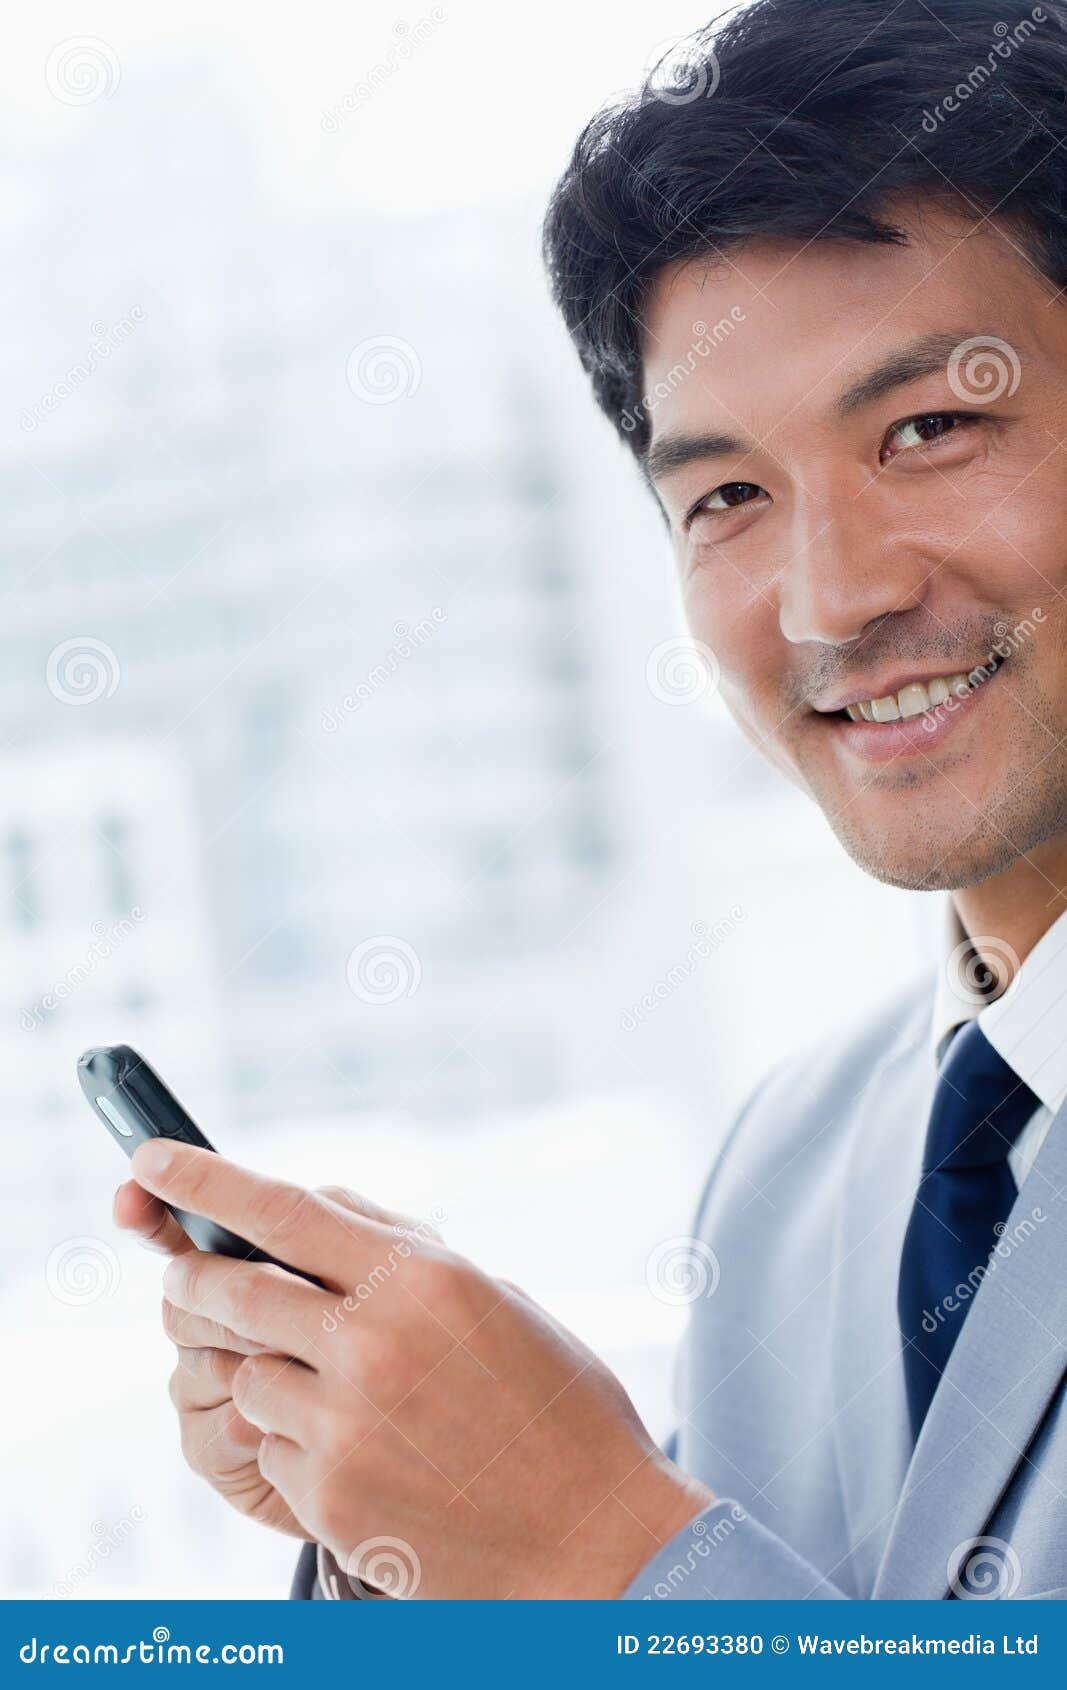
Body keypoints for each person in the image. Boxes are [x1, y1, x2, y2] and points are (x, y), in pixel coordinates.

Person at [116, 0, 1067, 1600]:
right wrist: (416, 1526)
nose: (830, 598)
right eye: (726, 498)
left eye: (931, 426)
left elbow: (660, 1581)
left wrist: (589, 1548)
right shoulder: (793, 1165)